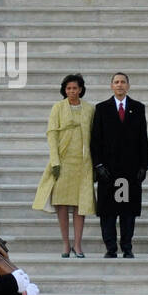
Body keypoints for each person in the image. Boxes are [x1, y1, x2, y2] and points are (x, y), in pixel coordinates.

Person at [32, 74, 95, 257]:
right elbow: (52, 135)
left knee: (79, 205)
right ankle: (66, 244)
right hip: (63, 160)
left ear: (81, 89)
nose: (72, 91)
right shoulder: (58, 108)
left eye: (75, 88)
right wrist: (55, 161)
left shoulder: (89, 109)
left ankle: (78, 244)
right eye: (68, 88)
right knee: (61, 204)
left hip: (83, 162)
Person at [90, 72, 147, 258]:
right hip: (108, 170)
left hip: (130, 170)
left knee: (128, 211)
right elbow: (95, 140)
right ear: (111, 86)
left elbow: (143, 140)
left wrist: (143, 166)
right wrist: (98, 165)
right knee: (108, 212)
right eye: (116, 82)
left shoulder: (138, 108)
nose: (120, 85)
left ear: (128, 86)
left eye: (123, 82)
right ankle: (111, 248)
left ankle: (127, 247)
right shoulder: (102, 108)